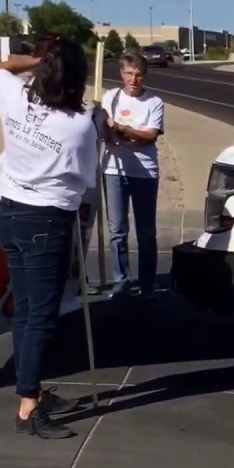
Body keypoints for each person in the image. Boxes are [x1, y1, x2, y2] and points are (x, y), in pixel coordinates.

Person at [0, 36, 99, 439]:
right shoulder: (78, 125)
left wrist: (31, 60)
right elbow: (86, 178)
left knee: (25, 309)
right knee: (40, 315)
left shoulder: (16, 96)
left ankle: (30, 387)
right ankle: (28, 408)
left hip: (12, 213)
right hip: (47, 220)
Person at [99, 52, 165, 296]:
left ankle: (147, 282)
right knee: (117, 229)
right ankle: (121, 278)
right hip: (113, 169)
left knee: (146, 231)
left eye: (138, 75)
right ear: (121, 74)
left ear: (144, 76)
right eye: (129, 74)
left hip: (144, 172)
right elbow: (104, 129)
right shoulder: (110, 98)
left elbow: (150, 135)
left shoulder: (154, 102)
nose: (133, 79)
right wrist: (106, 129)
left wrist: (124, 130)